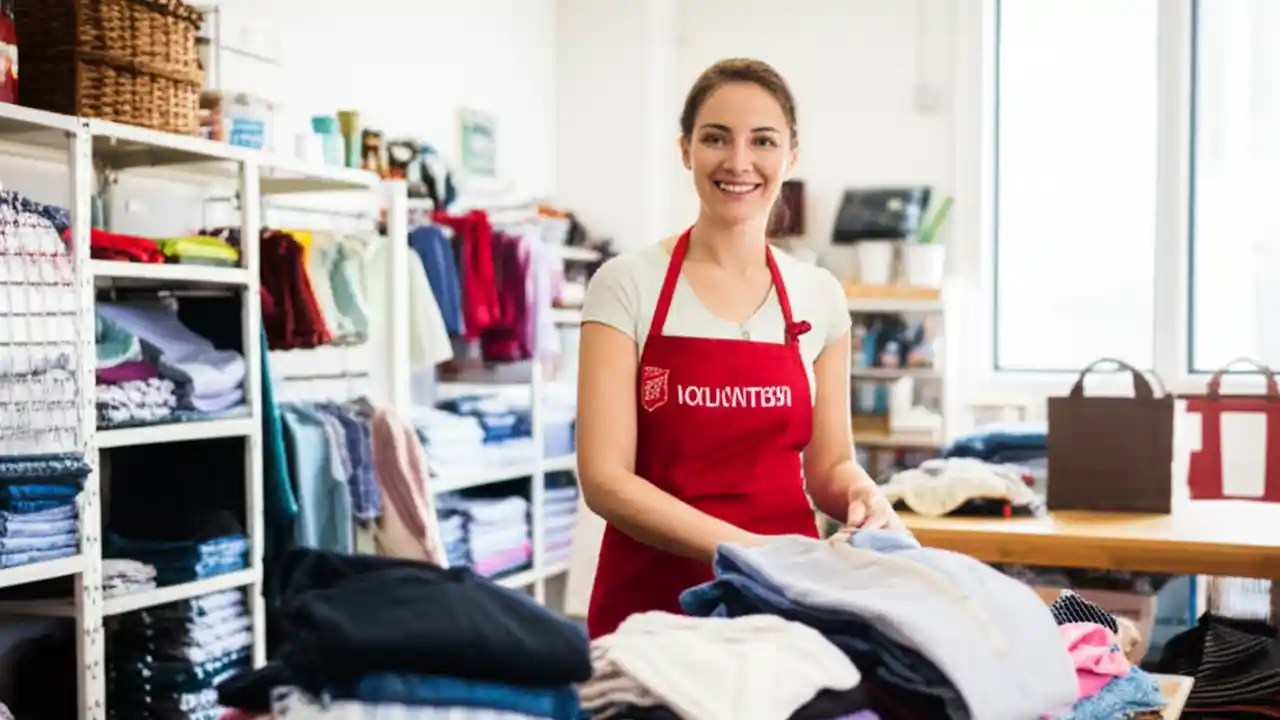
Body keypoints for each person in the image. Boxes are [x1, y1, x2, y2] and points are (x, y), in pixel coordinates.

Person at [575, 57, 902, 639]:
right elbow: (605, 478)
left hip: (784, 604)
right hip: (653, 606)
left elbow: (828, 465)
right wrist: (753, 553)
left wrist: (861, 492)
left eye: (763, 141)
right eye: (716, 138)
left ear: (790, 157)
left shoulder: (819, 295)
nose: (738, 162)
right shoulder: (626, 284)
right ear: (686, 149)